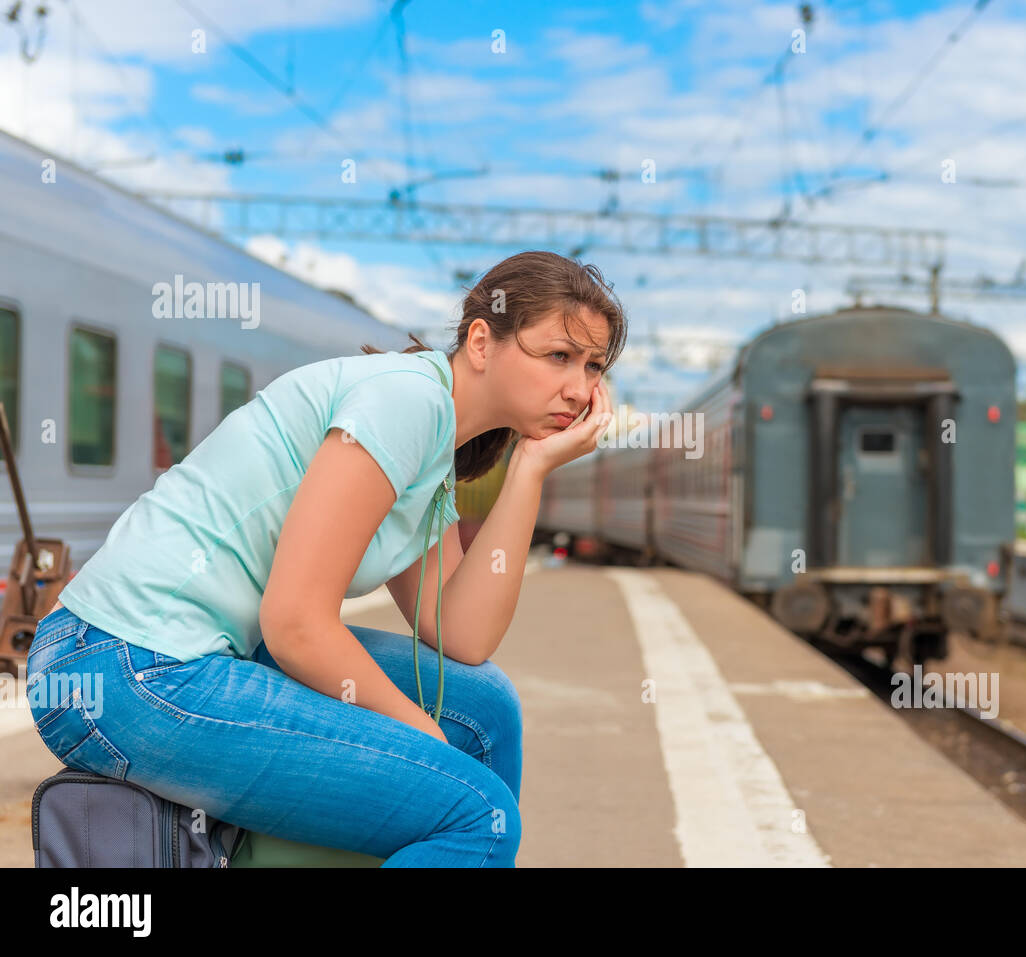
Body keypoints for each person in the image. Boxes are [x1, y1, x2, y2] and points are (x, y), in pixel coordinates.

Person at [25, 250, 624, 867]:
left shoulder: (436, 441)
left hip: (180, 657)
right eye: (558, 356)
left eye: (593, 367)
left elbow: (460, 635)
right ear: (480, 341)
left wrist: (530, 469)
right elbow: (296, 624)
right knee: (478, 816)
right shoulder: (404, 403)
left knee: (484, 707)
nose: (578, 390)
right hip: (128, 666)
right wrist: (420, 738)